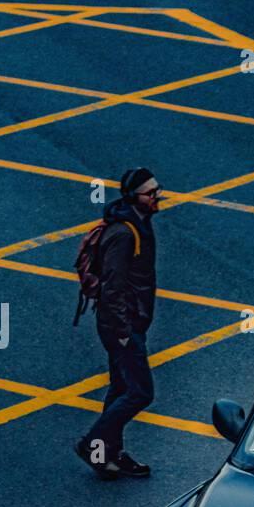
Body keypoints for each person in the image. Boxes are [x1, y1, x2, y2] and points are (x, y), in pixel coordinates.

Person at [75, 167, 161, 479]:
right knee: (140, 392)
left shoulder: (139, 224)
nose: (156, 196)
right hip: (120, 327)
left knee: (121, 387)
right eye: (150, 193)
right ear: (133, 197)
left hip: (127, 323)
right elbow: (112, 288)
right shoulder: (124, 234)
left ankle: (109, 454)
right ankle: (92, 444)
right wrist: (124, 332)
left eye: (156, 190)